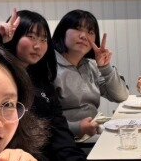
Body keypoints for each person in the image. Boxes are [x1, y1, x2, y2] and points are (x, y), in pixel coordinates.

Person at [0, 8, 90, 161]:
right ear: (14, 36)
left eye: (43, 39)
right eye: (31, 37)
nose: (38, 46)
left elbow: (58, 128)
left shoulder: (42, 81)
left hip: (48, 160)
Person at [51, 9, 129, 138]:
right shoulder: (50, 66)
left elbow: (121, 96)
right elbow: (43, 118)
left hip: (92, 134)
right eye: (77, 28)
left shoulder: (91, 65)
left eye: (90, 32)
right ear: (62, 31)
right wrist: (77, 128)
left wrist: (105, 67)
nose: (83, 36)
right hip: (65, 138)